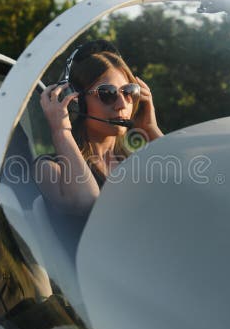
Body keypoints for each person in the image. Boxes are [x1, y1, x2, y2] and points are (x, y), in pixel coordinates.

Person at [36, 40, 162, 215]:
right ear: (76, 102)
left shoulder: (138, 165)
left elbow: (190, 186)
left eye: (129, 92)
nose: (122, 104)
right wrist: (61, 131)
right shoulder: (51, 168)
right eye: (107, 93)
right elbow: (85, 203)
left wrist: (150, 128)